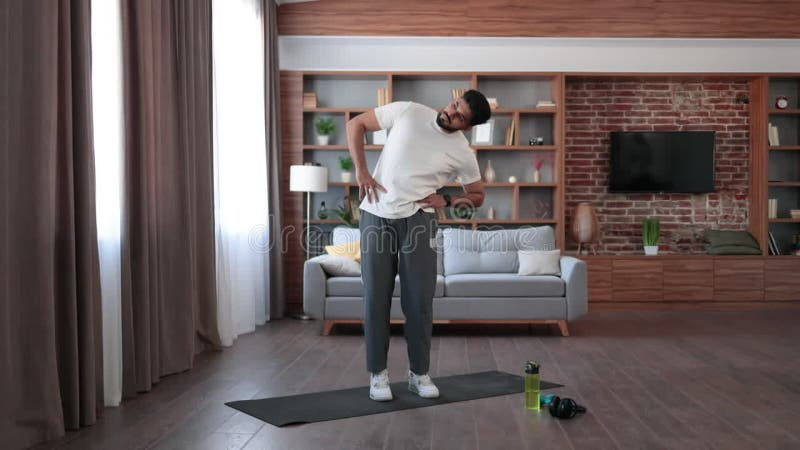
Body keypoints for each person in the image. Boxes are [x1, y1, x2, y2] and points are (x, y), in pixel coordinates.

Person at [345, 90, 491, 401]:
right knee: (376, 298)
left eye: (460, 116)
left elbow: (478, 195)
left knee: (419, 302)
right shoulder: (407, 110)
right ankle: (378, 374)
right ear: (453, 98)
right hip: (376, 214)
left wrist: (447, 199)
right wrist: (362, 171)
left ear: (467, 127)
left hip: (419, 220)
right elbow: (355, 124)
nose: (451, 113)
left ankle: (419, 373)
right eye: (455, 105)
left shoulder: (462, 152)